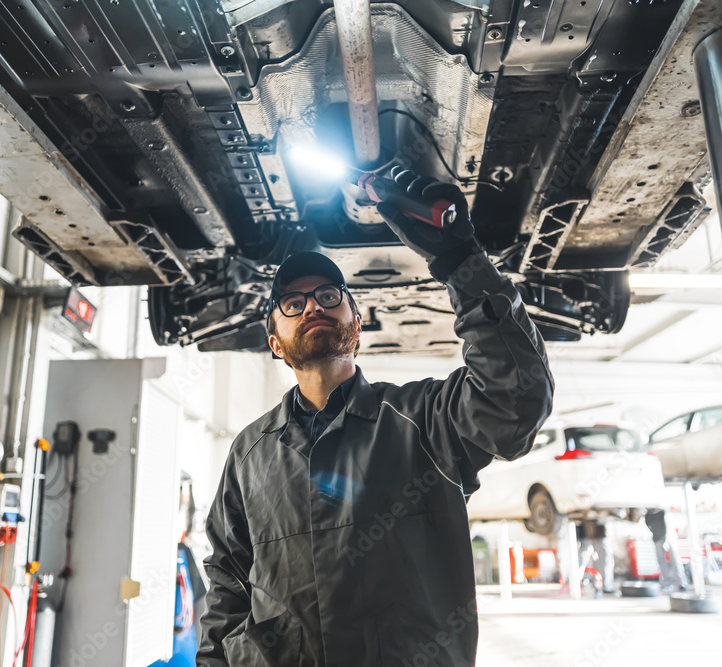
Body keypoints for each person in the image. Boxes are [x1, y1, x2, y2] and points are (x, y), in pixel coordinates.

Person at [197, 169, 554, 667]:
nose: (311, 308)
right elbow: (227, 577)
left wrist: (461, 261)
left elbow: (516, 399)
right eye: (292, 303)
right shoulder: (249, 453)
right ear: (275, 343)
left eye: (328, 296)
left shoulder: (423, 420)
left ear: (356, 324)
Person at [645, 508, 688, 593]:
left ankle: (681, 582)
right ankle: (666, 582)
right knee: (661, 561)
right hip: (658, 538)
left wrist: (667, 538)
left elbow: (669, 526)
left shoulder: (665, 513)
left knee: (675, 560)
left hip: (670, 538)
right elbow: (648, 525)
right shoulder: (648, 515)